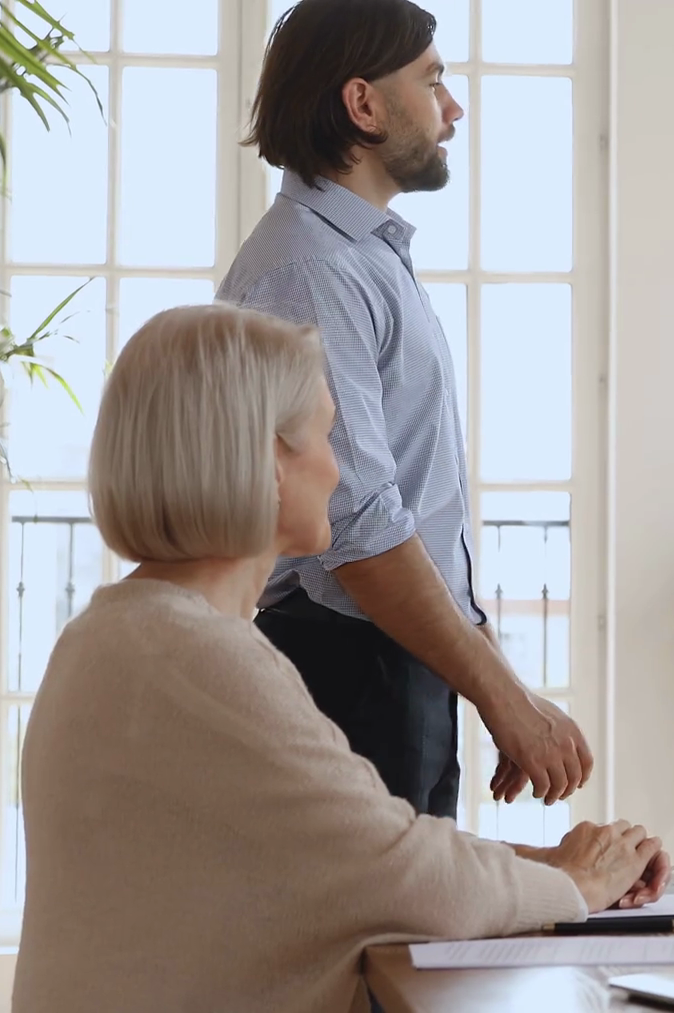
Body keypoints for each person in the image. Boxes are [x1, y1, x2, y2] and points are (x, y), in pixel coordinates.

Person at [13, 305, 670, 1013]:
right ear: (270, 461)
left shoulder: (112, 635)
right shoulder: (205, 659)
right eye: (328, 436)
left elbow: (363, 849)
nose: (338, 469)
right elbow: (410, 879)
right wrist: (577, 883)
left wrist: (552, 861)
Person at [220, 0, 587, 818]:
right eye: (433, 81)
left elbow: (413, 512)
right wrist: (500, 696)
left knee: (426, 901)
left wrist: (498, 683)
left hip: (394, 660)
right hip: (352, 666)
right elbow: (360, 528)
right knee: (385, 904)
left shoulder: (360, 258)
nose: (453, 108)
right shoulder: (312, 269)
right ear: (363, 104)